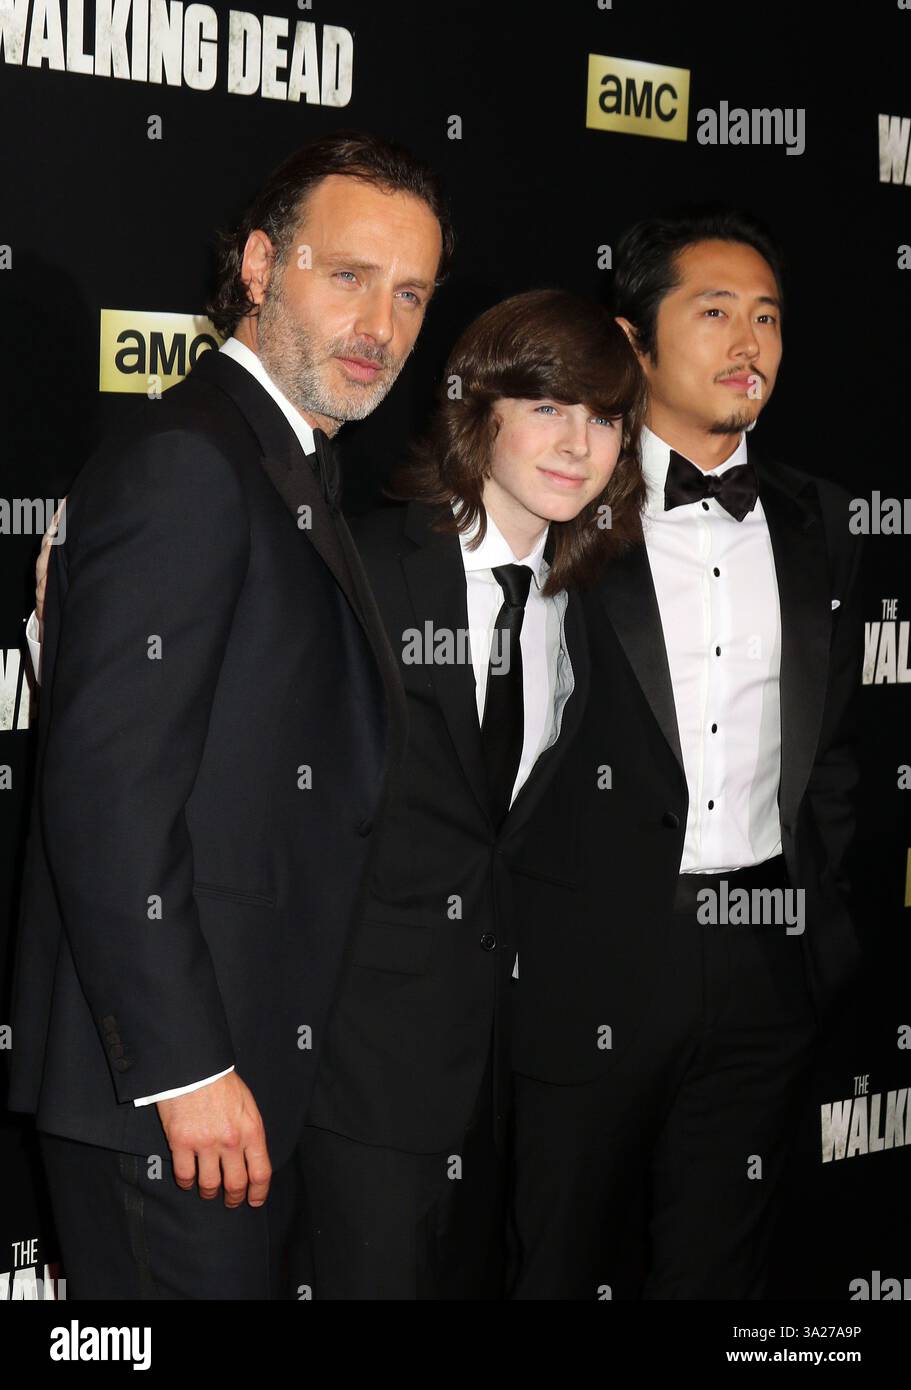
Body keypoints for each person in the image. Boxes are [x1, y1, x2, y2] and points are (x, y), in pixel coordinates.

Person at [7, 129, 450, 1300]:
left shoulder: (281, 463)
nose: (381, 326)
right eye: (346, 275)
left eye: (409, 294)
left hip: (248, 1074)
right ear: (258, 266)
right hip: (168, 1094)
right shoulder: (190, 463)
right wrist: (186, 1066)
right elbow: (109, 793)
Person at [505, 208, 865, 1299]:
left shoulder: (821, 519)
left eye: (765, 317)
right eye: (711, 313)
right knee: (551, 1259)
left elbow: (833, 748)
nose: (745, 341)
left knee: (719, 1266)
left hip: (762, 955)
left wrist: (817, 929)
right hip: (584, 962)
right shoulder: (558, 505)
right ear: (633, 341)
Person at [296, 288, 646, 1298]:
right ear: (475, 411)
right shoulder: (359, 562)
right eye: (545, 406)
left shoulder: (579, 603)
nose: (577, 443)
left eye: (604, 417)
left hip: (497, 1090)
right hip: (348, 1078)